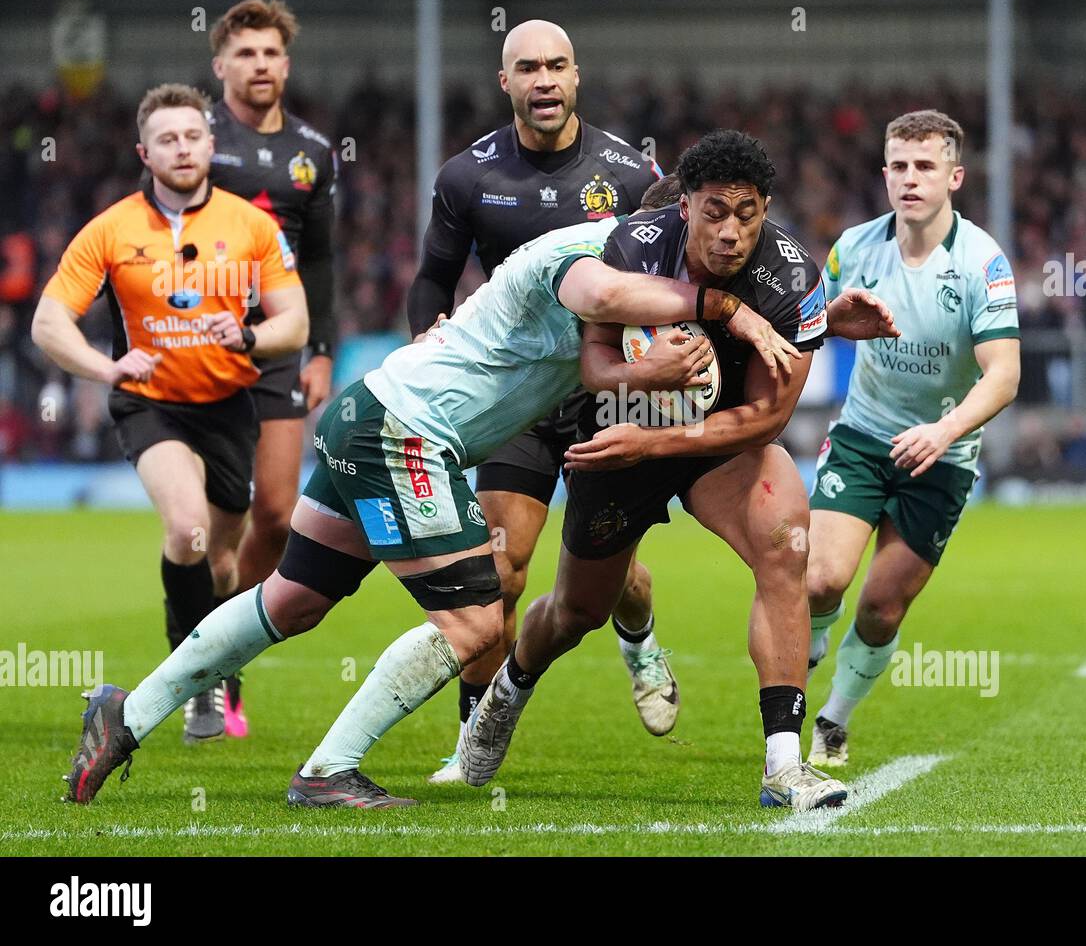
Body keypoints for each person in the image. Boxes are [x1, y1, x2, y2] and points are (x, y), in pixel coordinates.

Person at [63, 180, 818, 808]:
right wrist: (725, 309)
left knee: (291, 599)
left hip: (369, 410)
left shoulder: (627, 279)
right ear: (655, 226)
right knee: (474, 623)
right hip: (405, 432)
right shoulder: (592, 256)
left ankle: (124, 716)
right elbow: (611, 289)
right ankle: (328, 772)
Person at [459, 130, 900, 811]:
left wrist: (662, 443)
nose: (730, 232)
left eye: (746, 213)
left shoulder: (791, 278)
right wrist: (639, 376)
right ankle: (509, 689)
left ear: (766, 207)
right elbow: (593, 366)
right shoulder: (631, 249)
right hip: (620, 428)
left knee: (786, 541)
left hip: (714, 444)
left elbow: (767, 418)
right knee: (579, 609)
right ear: (684, 207)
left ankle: (785, 765)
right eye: (714, 213)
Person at [406, 19, 673, 783]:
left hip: (602, 395)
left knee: (613, 578)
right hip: (517, 399)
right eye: (529, 68)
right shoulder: (467, 176)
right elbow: (433, 274)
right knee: (502, 570)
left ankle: (641, 638)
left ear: (577, 76)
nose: (545, 79)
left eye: (558, 65)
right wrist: (426, 331)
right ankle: (474, 741)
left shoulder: (628, 172)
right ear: (507, 83)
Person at [31, 83, 308, 744]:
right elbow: (48, 322)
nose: (182, 148)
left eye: (192, 136)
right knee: (185, 529)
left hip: (228, 406)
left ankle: (213, 663)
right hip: (150, 404)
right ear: (143, 152)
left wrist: (247, 336)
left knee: (220, 561)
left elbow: (294, 323)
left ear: (211, 144)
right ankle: (198, 682)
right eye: (167, 140)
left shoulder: (251, 225)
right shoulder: (111, 229)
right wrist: (107, 368)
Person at [802, 110, 1021, 767]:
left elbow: (1005, 374)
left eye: (925, 166)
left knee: (881, 609)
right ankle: (808, 644)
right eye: (898, 165)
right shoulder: (853, 248)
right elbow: (805, 328)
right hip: (864, 435)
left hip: (944, 454)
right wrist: (831, 323)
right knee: (821, 581)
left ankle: (834, 718)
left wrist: (944, 429)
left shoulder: (983, 262)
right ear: (884, 173)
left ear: (954, 176)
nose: (910, 178)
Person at [205, 0, 339, 738]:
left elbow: (318, 261)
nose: (259, 65)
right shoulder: (198, 137)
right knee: (204, 530)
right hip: (195, 346)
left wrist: (320, 347)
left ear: (285, 65)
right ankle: (198, 654)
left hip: (278, 346)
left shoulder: (313, 152)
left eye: (270, 54)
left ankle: (226, 648)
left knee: (278, 515)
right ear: (220, 64)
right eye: (245, 54)